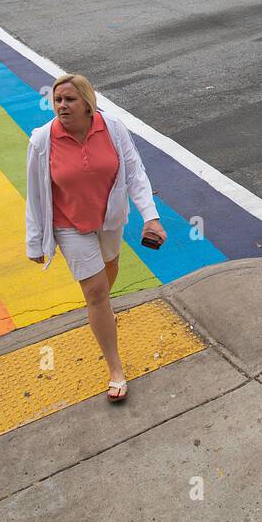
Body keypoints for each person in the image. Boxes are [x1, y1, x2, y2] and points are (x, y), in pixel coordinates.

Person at [25, 74, 167, 403]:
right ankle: (115, 368)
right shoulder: (42, 141)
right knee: (96, 292)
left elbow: (134, 172)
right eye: (58, 100)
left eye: (70, 99)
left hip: (109, 219)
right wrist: (35, 242)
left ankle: (102, 310)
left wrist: (151, 216)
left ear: (88, 104)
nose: (62, 105)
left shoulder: (113, 129)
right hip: (69, 224)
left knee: (109, 269)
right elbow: (35, 193)